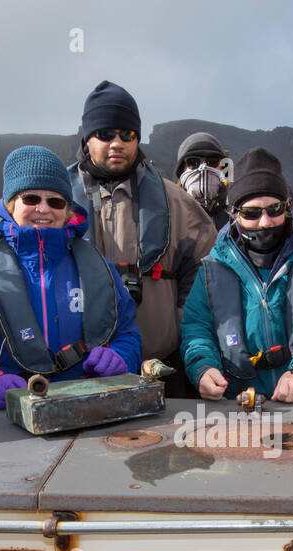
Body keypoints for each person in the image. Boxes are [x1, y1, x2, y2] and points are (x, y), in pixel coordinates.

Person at [0, 146, 141, 408]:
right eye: (31, 199)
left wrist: (120, 356)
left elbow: (127, 332)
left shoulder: (97, 264)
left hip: (90, 404)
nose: (43, 209)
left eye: (55, 201)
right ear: (11, 205)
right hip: (9, 412)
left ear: (68, 209)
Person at [66, 81, 216, 398]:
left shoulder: (177, 202)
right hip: (79, 369)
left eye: (127, 135)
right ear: (86, 137)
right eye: (105, 134)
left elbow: (206, 267)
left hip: (162, 368)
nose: (117, 143)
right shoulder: (56, 201)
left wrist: (179, 321)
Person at [180, 148, 293, 403]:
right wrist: (203, 369)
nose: (265, 222)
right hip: (239, 408)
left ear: (287, 209)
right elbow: (197, 332)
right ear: (234, 215)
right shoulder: (210, 272)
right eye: (251, 213)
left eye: (274, 209)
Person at [175, 132, 231, 230]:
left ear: (221, 168)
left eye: (212, 161)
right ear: (182, 170)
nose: (203, 166)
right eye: (193, 162)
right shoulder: (168, 218)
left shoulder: (237, 221)